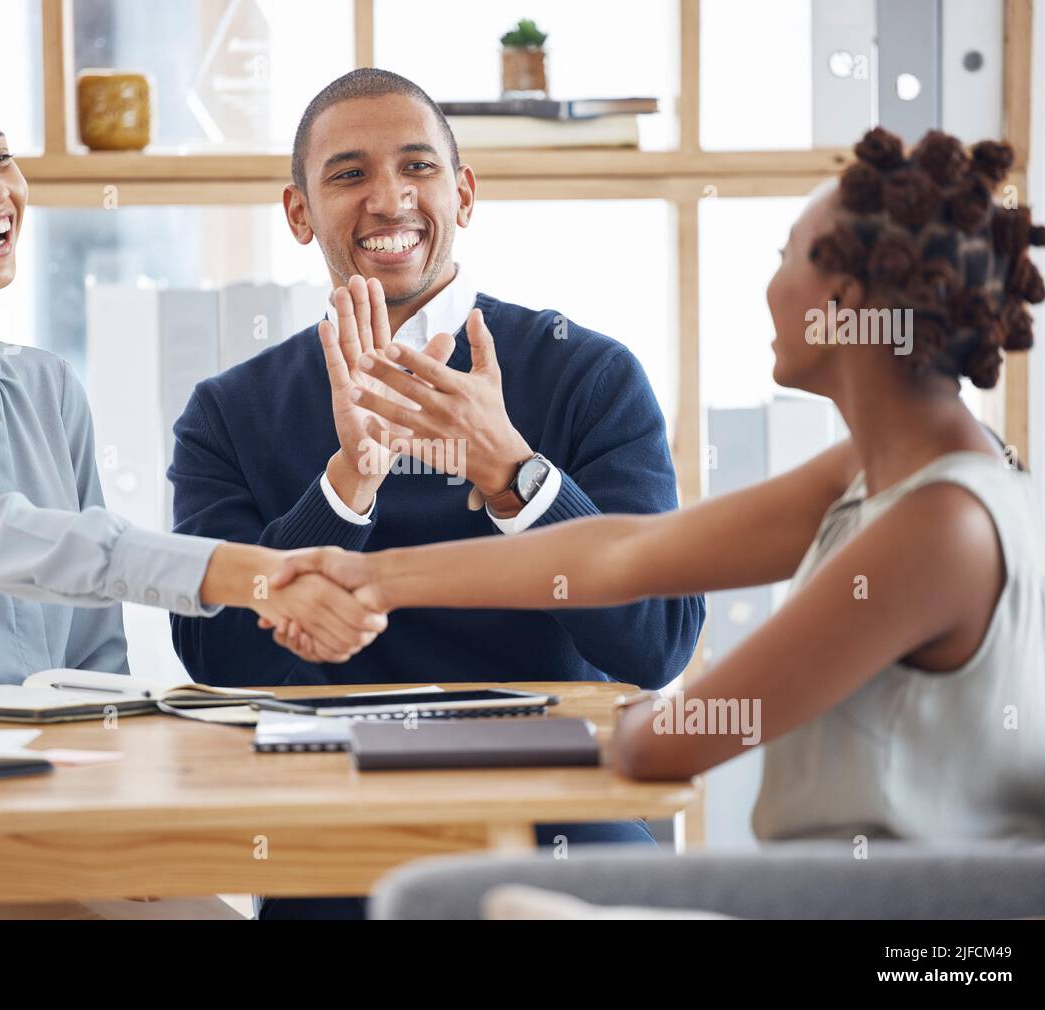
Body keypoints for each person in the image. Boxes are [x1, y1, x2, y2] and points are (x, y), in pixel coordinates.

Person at [274, 127, 1045, 846]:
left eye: (786, 256)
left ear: (844, 304)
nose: (769, 286)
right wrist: (372, 577)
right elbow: (623, 553)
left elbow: (670, 743)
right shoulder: (883, 468)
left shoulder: (938, 527)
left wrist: (605, 716)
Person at [0, 60, 382, 919]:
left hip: (36, 808)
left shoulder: (47, 387)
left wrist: (120, 808)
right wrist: (252, 573)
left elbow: (94, 657)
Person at [168, 68, 704, 917]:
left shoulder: (590, 375)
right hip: (334, 833)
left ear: (464, 193)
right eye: (349, 174)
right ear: (300, 213)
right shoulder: (229, 413)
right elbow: (218, 663)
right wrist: (346, 486)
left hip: (561, 818)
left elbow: (660, 643)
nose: (389, 200)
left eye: (417, 167)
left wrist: (516, 476)